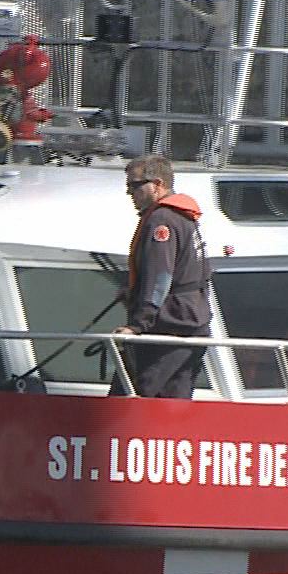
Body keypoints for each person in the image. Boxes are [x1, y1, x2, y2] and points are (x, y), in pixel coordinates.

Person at [114, 155, 212, 398]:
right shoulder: (185, 217)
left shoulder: (162, 220)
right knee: (174, 403)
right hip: (192, 322)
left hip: (168, 327)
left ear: (157, 185)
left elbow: (160, 277)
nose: (129, 193)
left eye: (135, 186)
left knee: (132, 396)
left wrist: (137, 325)